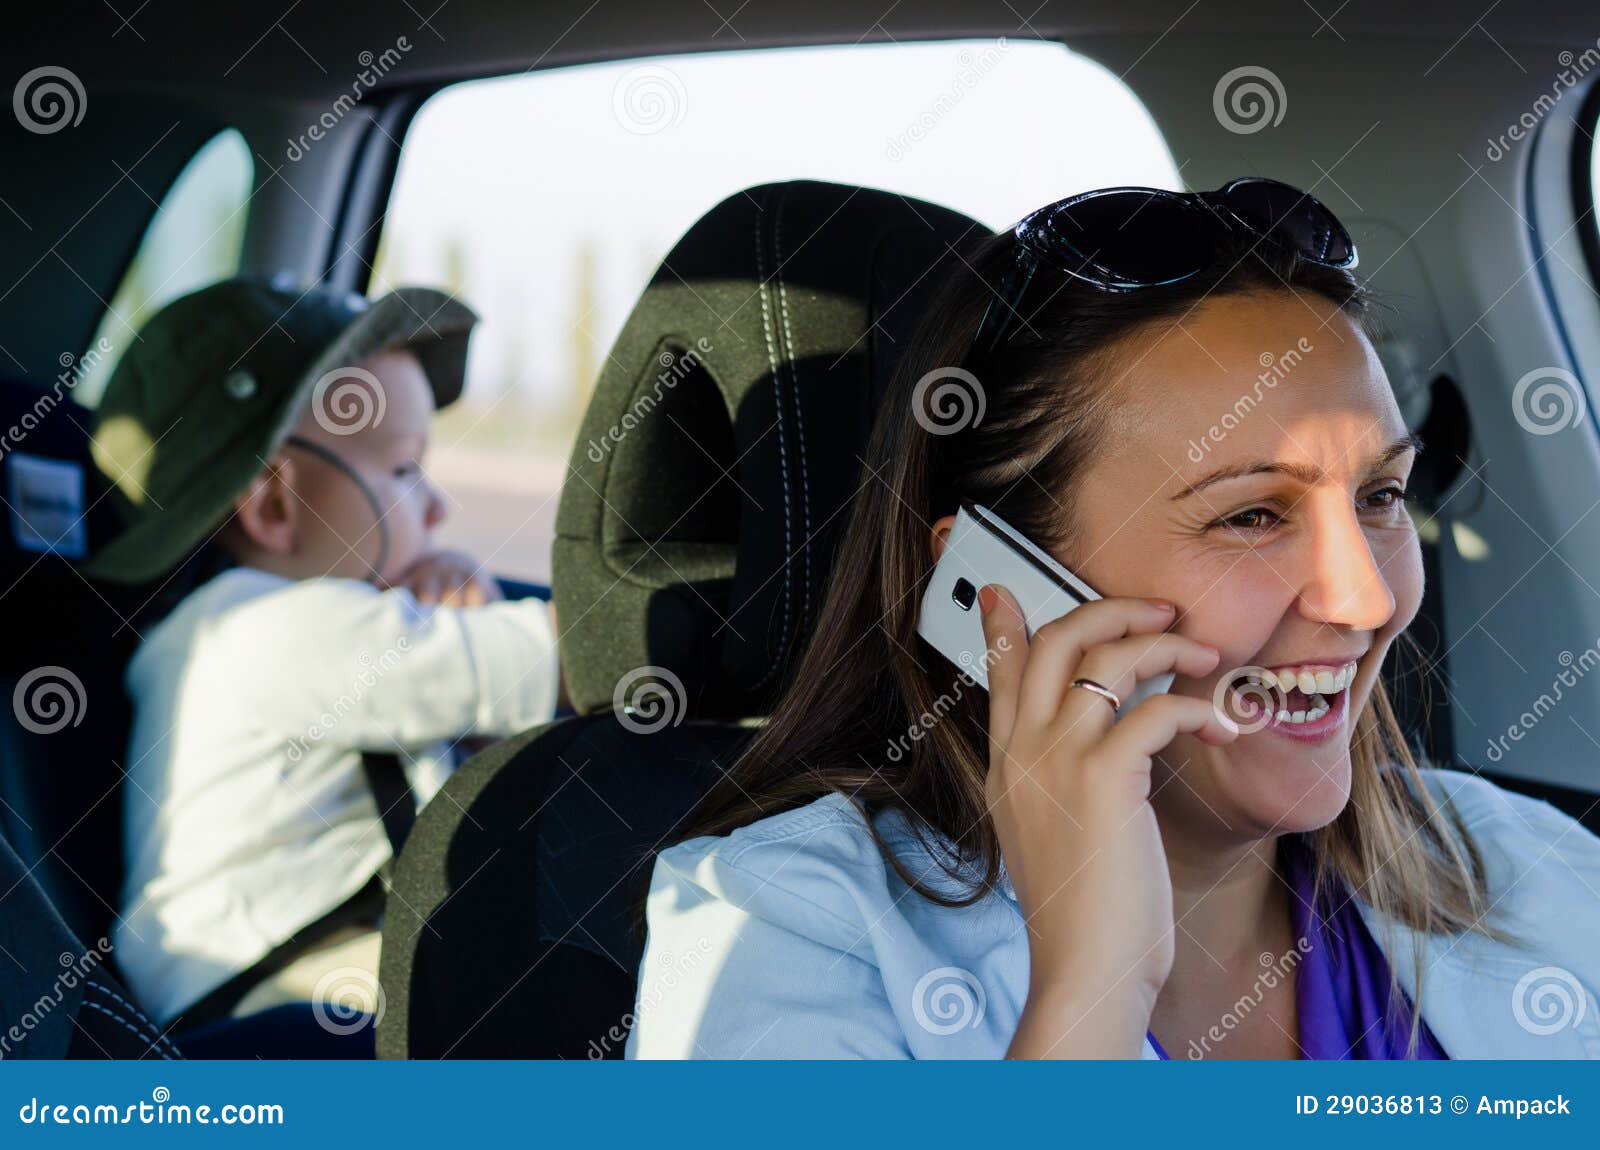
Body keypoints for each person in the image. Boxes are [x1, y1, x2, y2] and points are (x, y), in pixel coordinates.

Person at [625, 179, 1600, 1059]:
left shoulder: (1530, 867)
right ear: (997, 588)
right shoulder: (783, 930)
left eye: (1381, 494)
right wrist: (1092, 987)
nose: (1368, 600)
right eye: (1251, 514)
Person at [86, 279, 565, 1027]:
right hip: (262, 1012)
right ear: (276, 505)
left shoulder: (321, 632)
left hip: (319, 979)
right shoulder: (256, 633)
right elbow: (576, 655)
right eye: (404, 470)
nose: (438, 508)